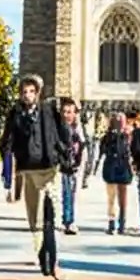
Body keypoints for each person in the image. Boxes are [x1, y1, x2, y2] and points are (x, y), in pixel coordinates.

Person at [0, 74, 71, 280]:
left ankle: (55, 263)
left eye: (31, 91)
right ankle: (44, 259)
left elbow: (62, 132)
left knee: (54, 216)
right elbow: (7, 141)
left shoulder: (49, 110)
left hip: (50, 170)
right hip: (29, 171)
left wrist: (63, 154)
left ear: (38, 93)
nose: (27, 95)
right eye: (24, 92)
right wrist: (9, 171)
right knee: (37, 221)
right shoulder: (15, 114)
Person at [98, 111, 133, 234]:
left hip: (123, 167)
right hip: (111, 168)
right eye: (117, 121)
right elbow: (102, 150)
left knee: (123, 198)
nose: (119, 124)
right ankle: (112, 222)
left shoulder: (128, 136)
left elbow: (131, 151)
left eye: (121, 121)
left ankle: (122, 222)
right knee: (111, 198)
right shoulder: (108, 137)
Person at [59, 97, 85, 235]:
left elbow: (82, 147)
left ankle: (68, 220)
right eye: (64, 111)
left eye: (69, 112)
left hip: (72, 167)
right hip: (60, 166)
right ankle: (66, 220)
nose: (66, 114)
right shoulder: (58, 128)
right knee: (64, 194)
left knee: (70, 194)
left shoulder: (77, 130)